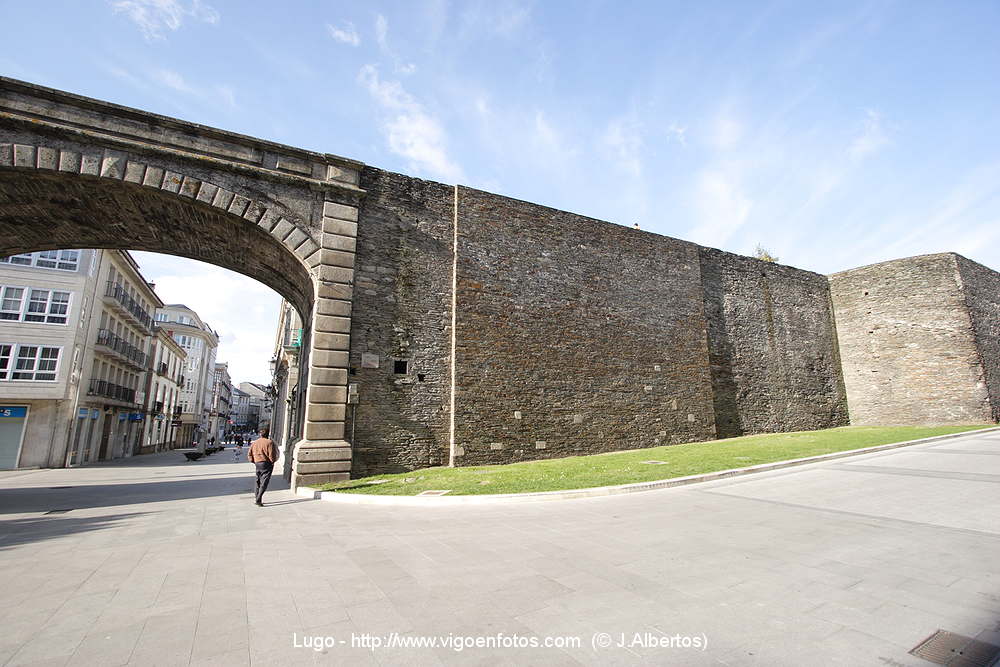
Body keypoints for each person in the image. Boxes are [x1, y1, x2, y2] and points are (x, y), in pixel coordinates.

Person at [247, 428, 278, 506]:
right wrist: (272, 462)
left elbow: (249, 454)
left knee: (257, 481)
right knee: (264, 482)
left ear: (260, 434)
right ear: (268, 434)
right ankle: (258, 499)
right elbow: (272, 455)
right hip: (266, 463)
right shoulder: (269, 442)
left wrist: (253, 461)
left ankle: (257, 498)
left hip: (257, 463)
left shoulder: (255, 443)